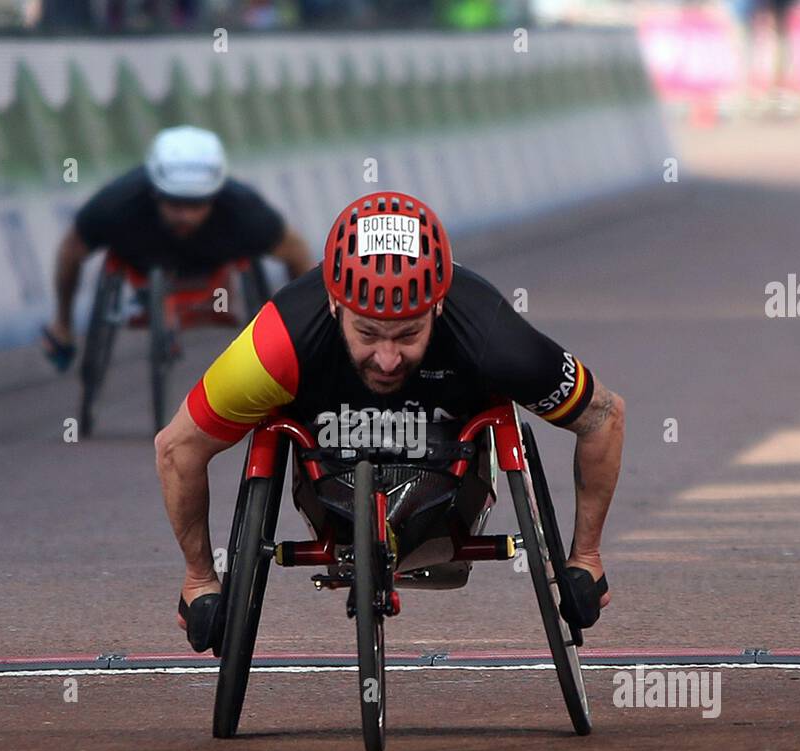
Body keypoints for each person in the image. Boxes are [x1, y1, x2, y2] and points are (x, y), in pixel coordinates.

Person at [154, 190, 624, 652]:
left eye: (408, 334)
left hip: (452, 483)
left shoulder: (491, 334)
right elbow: (179, 447)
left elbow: (602, 415)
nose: (386, 358)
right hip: (325, 475)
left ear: (438, 306)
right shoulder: (281, 339)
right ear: (335, 305)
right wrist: (201, 580)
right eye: (367, 332)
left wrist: (585, 558)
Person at [41, 125, 313, 372]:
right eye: (174, 203)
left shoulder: (245, 210)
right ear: (155, 192)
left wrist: (305, 326)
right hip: (142, 262)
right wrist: (63, 322)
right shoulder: (116, 204)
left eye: (196, 204)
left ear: (215, 196)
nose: (185, 216)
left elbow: (296, 252)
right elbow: (71, 250)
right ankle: (62, 325)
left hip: (213, 264)